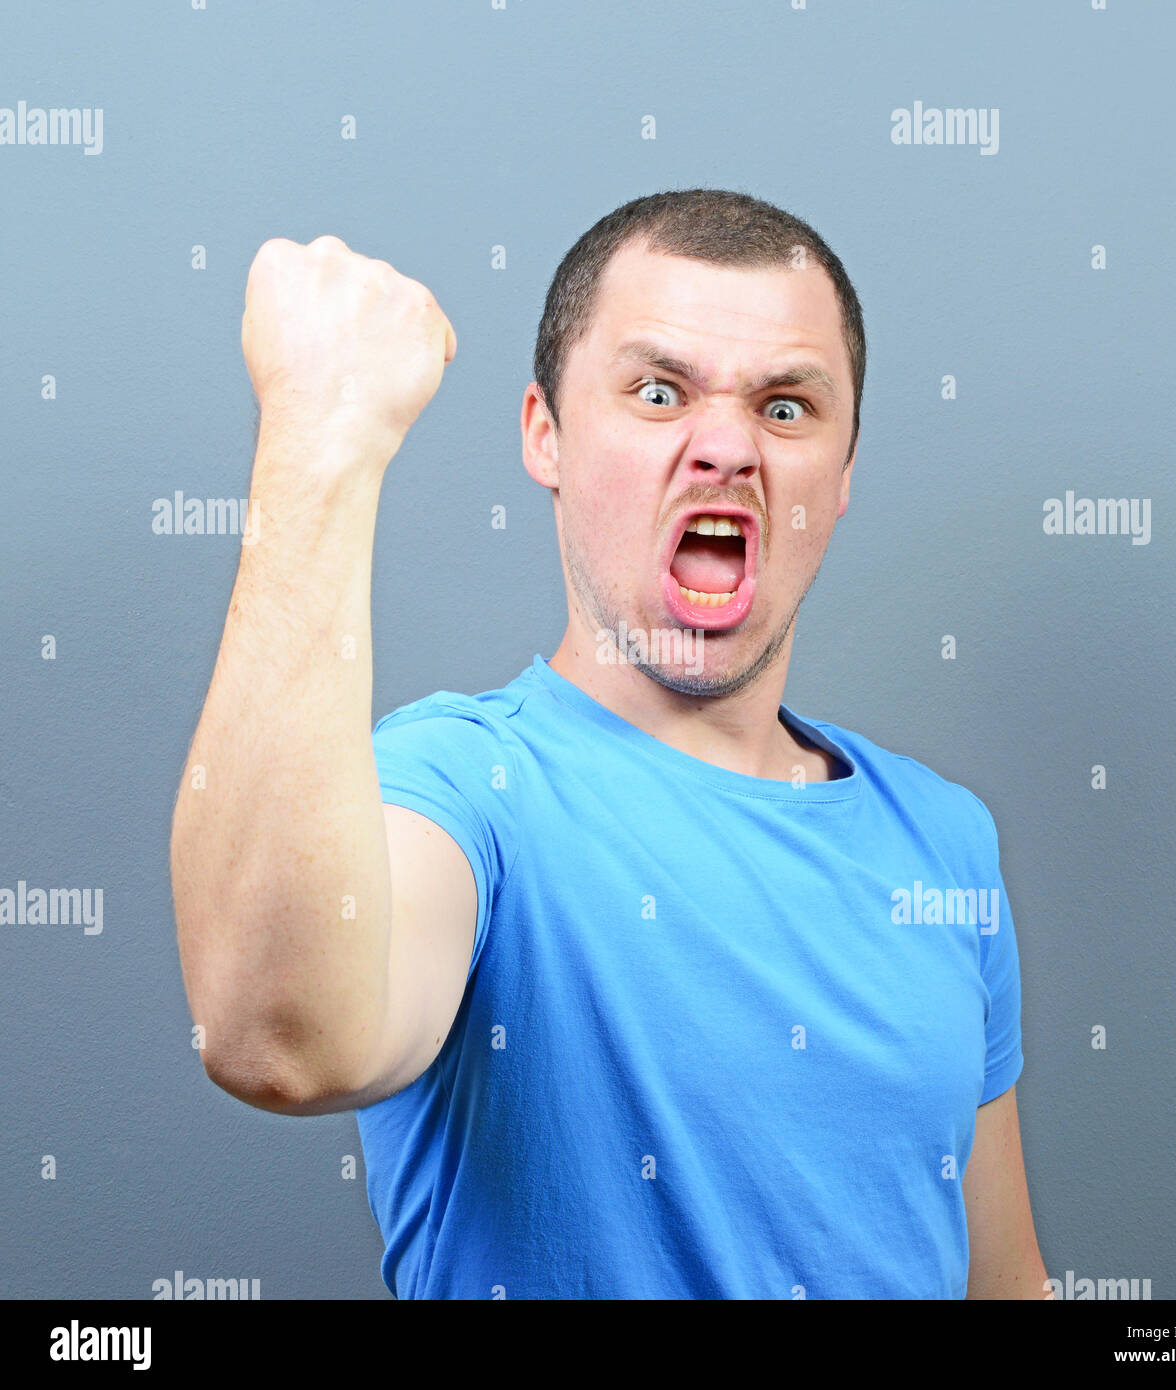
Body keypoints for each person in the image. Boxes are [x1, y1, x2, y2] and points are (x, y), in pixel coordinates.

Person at [171, 188, 1048, 1300]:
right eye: (657, 391)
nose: (726, 447)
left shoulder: (943, 839)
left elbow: (1004, 1283)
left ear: (842, 473)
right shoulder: (464, 790)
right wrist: (319, 432)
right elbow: (277, 1040)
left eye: (785, 407)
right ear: (545, 433)